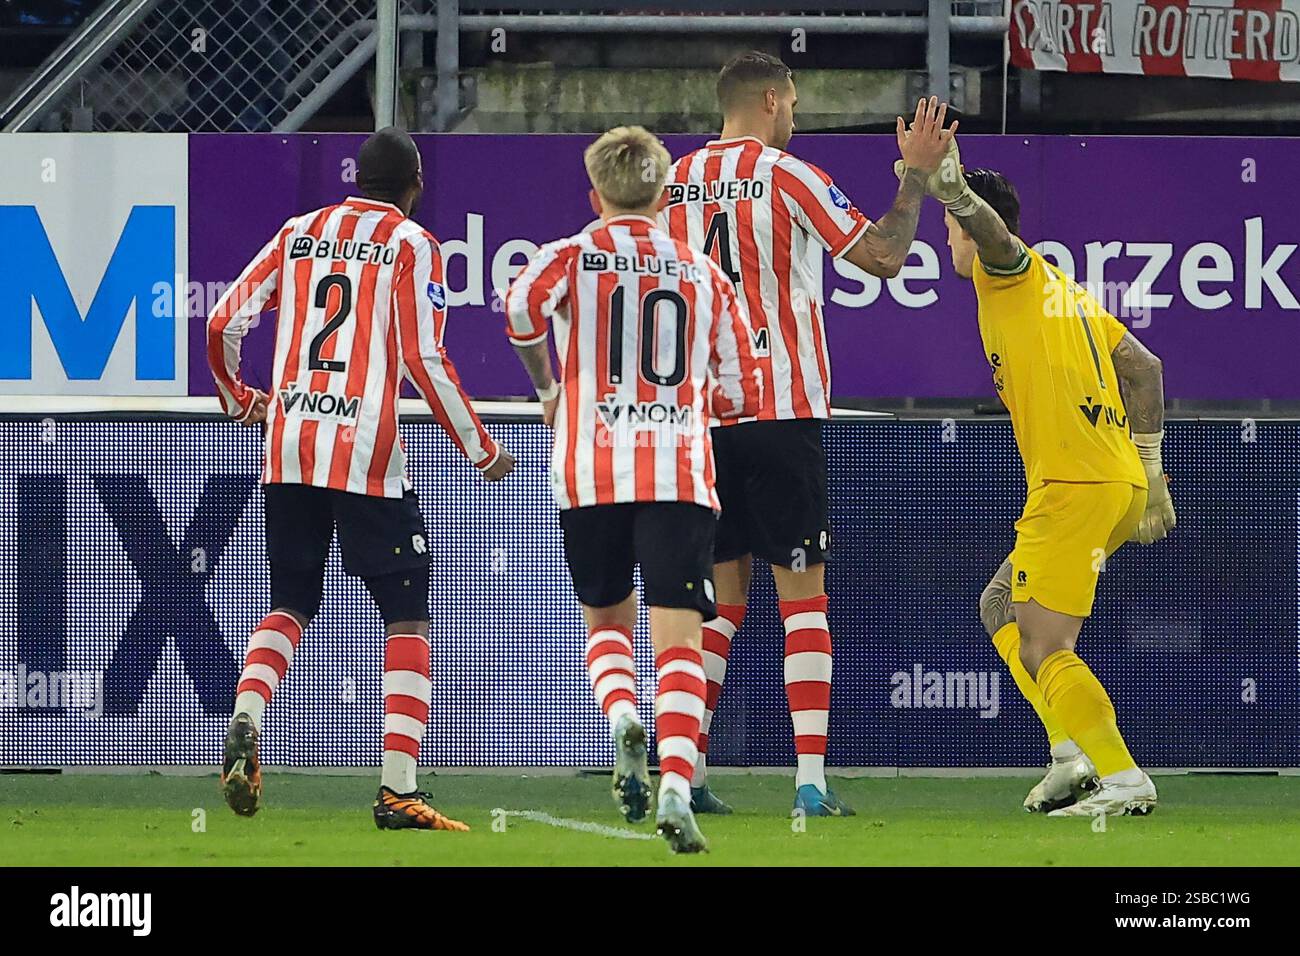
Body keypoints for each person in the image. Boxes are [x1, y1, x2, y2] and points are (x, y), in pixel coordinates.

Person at [661, 51, 954, 816]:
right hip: (781, 413)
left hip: (700, 419)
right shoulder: (789, 176)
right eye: (791, 102)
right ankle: (811, 785)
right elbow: (885, 255)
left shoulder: (672, 185)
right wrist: (915, 174)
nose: (795, 116)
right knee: (803, 603)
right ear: (768, 100)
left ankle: (683, 771)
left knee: (719, 604)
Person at [207, 126, 515, 830]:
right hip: (366, 453)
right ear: (415, 185)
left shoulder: (299, 232)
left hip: (288, 446)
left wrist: (244, 403)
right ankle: (397, 789)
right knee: (406, 615)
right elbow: (422, 356)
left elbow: (224, 322)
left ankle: (247, 717)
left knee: (289, 602)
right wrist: (479, 447)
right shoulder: (412, 245)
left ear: (354, 178)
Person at [505, 125, 761, 853]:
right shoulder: (702, 271)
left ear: (595, 195)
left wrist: (550, 386)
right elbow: (738, 388)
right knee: (679, 638)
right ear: (664, 195)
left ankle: (622, 715)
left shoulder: (573, 255)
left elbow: (521, 309)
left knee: (606, 626)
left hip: (591, 471)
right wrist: (688, 402)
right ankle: (676, 784)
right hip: (678, 473)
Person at [909, 140, 1174, 816]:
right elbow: (1143, 365)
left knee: (1044, 645)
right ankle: (1068, 754)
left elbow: (995, 240)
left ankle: (1122, 778)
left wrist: (954, 193)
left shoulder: (1010, 273)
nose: (949, 246)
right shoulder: (1070, 293)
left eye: (949, 233)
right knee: (999, 606)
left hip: (1075, 486)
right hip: (1114, 484)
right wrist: (1152, 472)